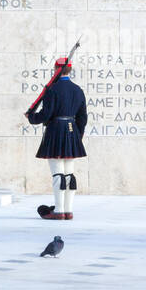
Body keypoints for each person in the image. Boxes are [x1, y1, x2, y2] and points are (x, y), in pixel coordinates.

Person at [26, 57, 87, 221]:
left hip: (56, 130)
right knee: (69, 174)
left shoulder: (52, 90)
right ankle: (68, 210)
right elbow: (83, 117)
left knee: (57, 174)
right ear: (70, 70)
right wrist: (77, 135)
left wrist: (31, 117)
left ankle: (59, 210)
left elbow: (46, 114)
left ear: (55, 69)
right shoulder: (78, 90)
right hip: (72, 130)